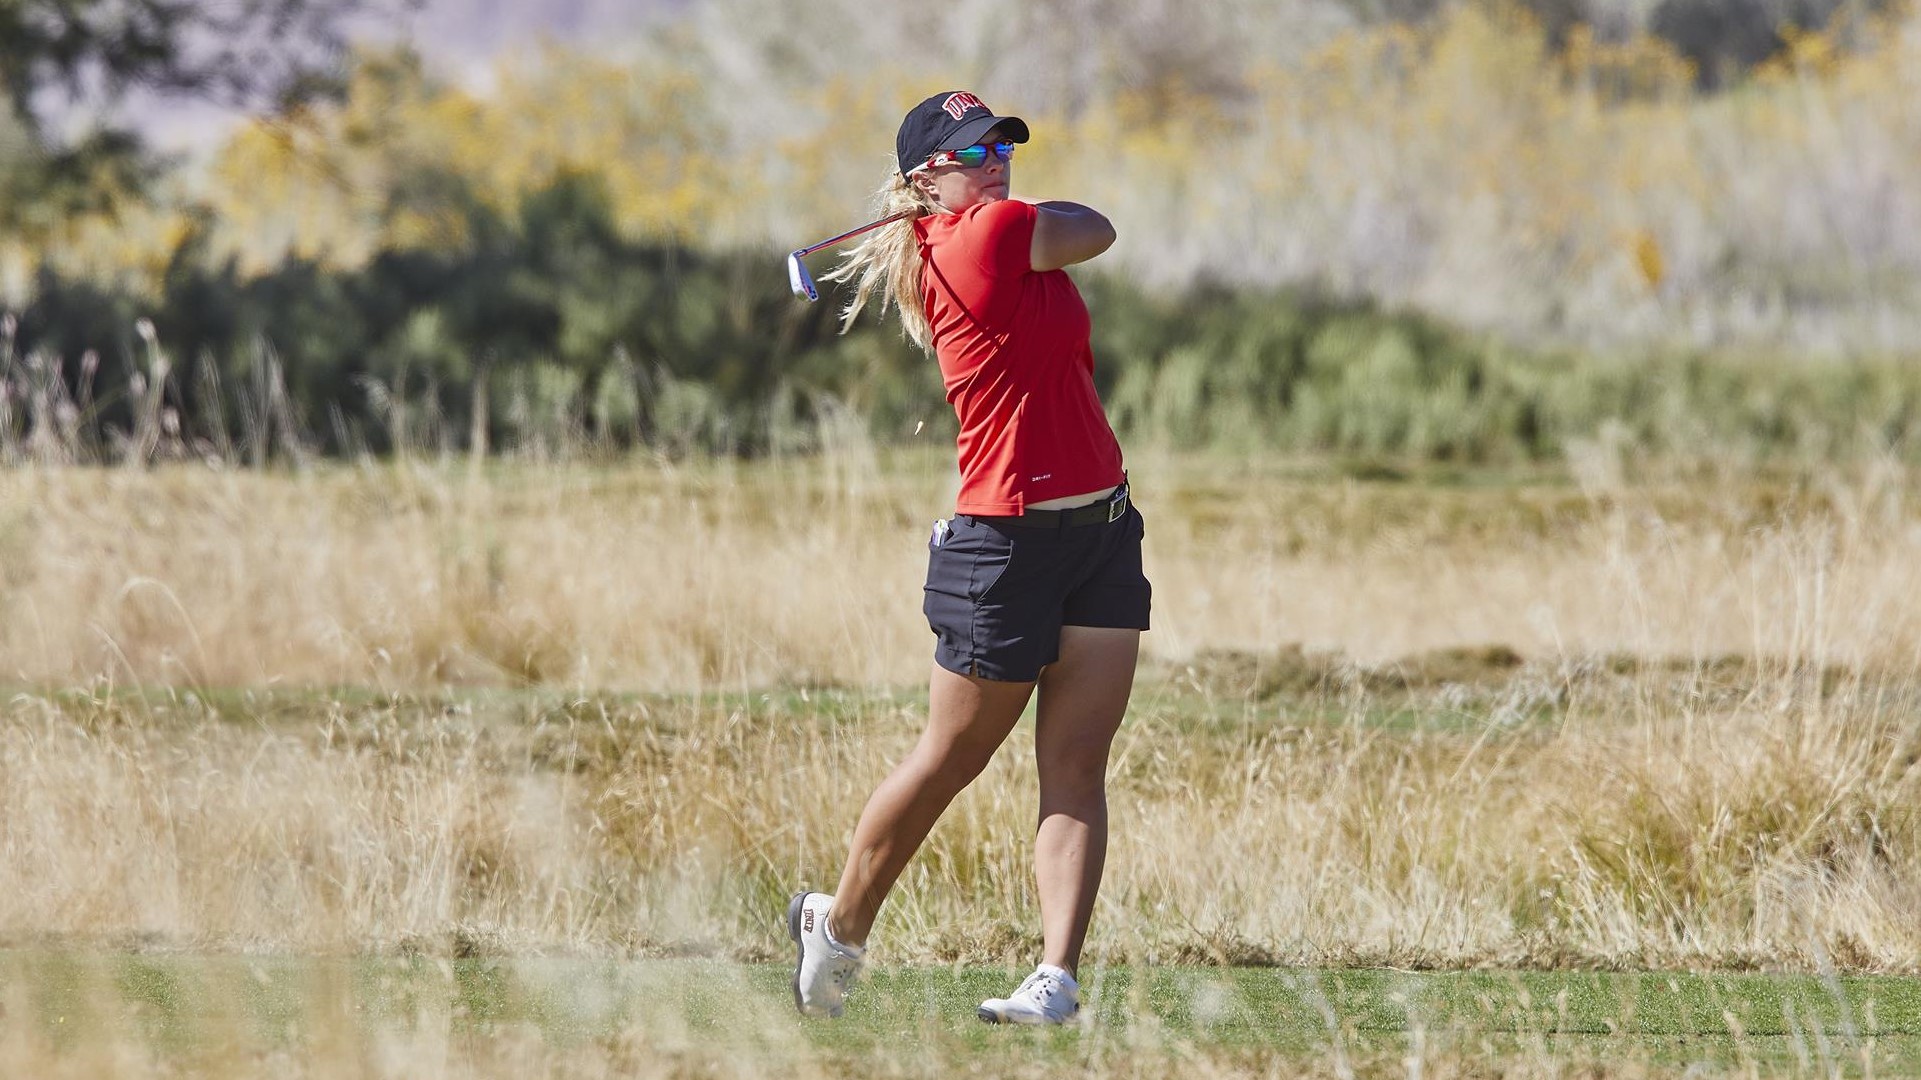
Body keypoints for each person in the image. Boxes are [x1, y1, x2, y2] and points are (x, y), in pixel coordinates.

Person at [786, 90, 1150, 1027]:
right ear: (923, 179)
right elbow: (1098, 226)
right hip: (1004, 544)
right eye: (972, 151)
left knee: (1075, 763)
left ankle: (1055, 981)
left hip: (1100, 530)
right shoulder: (978, 241)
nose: (995, 159)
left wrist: (984, 197)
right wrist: (992, 207)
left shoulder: (995, 228)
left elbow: (1076, 232)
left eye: (1002, 146)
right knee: (951, 758)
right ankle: (841, 926)